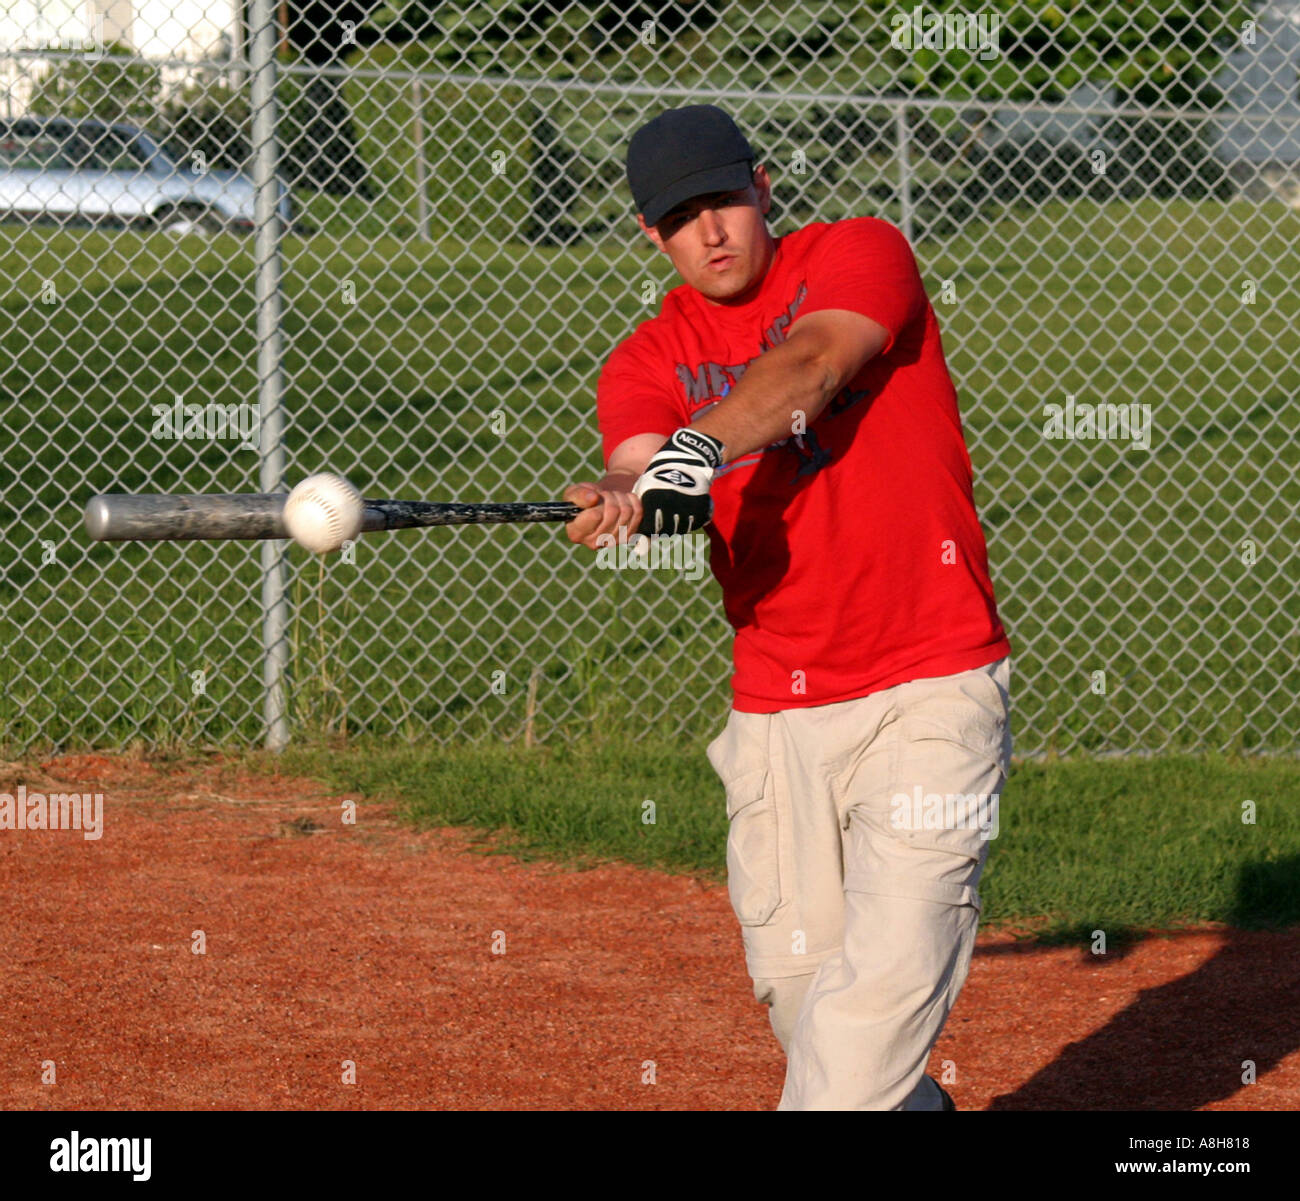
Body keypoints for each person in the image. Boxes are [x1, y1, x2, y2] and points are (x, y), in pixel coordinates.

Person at [562, 104, 1013, 1111]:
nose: (710, 232)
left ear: (763, 186)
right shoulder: (645, 361)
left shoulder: (860, 253)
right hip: (778, 711)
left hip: (930, 688)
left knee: (863, 1029)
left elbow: (811, 365)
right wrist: (633, 500)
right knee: (806, 1000)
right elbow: (644, 468)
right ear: (651, 233)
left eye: (724, 199)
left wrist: (698, 447)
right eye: (680, 217)